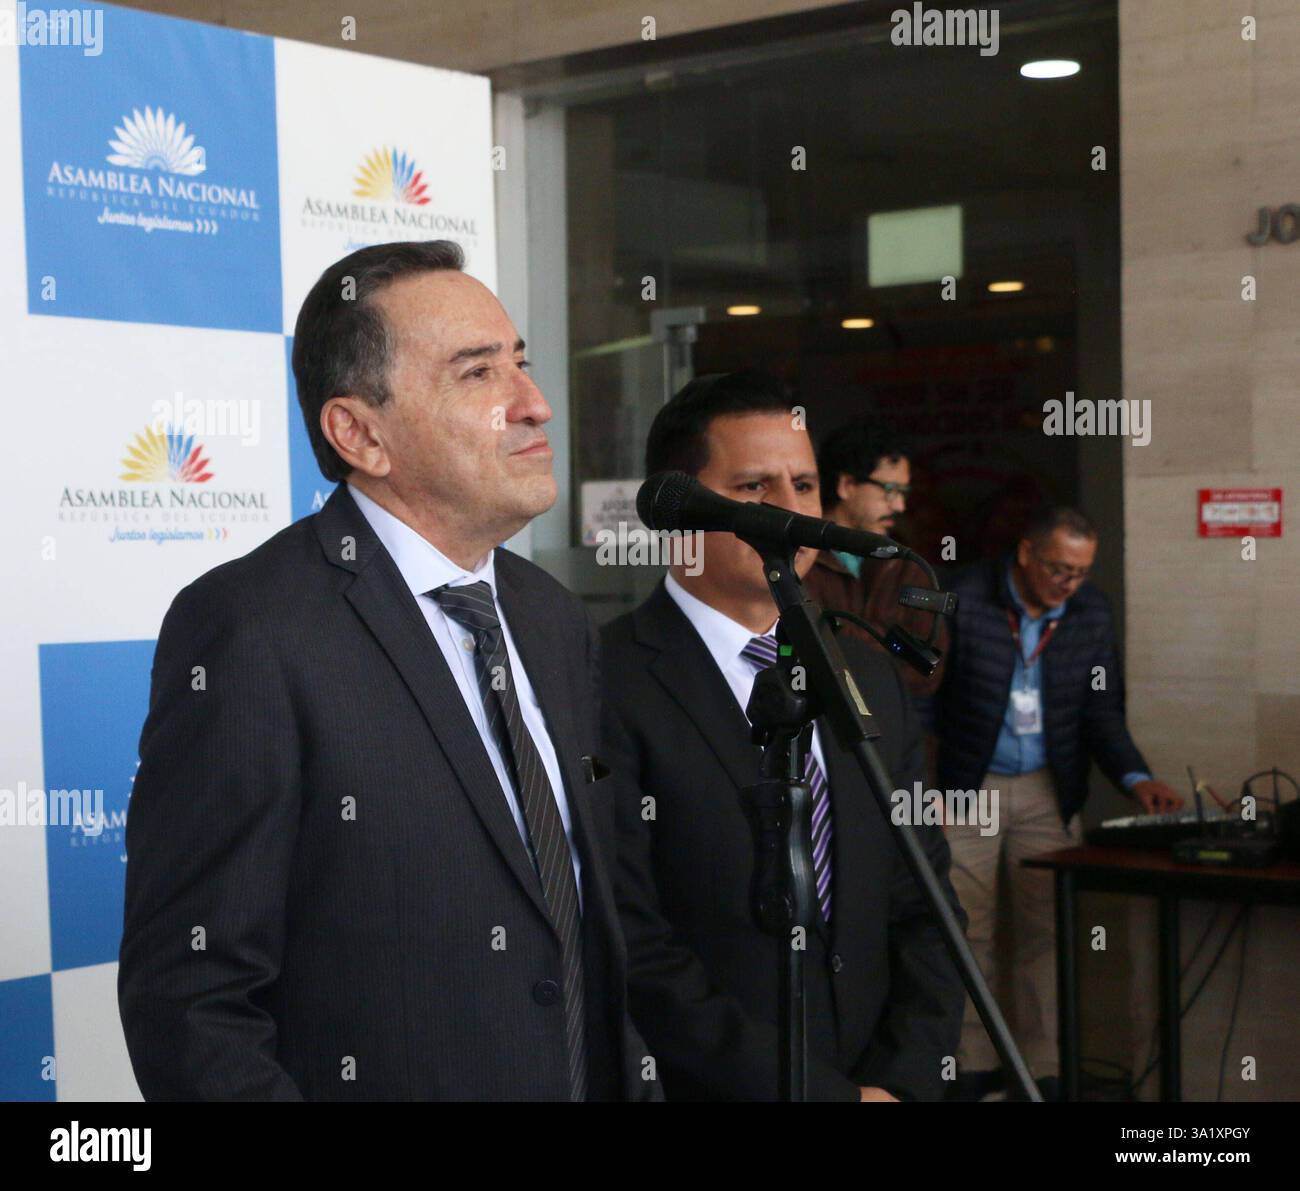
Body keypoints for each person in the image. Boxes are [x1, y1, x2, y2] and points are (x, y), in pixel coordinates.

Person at [118, 240, 658, 1102]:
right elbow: (191, 1000)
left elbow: (584, 930)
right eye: (477, 374)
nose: (535, 404)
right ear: (359, 432)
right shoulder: (251, 629)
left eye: (520, 362)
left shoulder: (552, 618)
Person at [601, 371, 965, 1101]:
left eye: (804, 484)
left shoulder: (867, 672)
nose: (793, 512)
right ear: (679, 507)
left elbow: (925, 901)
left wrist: (902, 1081)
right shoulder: (603, 679)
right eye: (755, 487)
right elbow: (633, 944)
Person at [934, 506, 1184, 1101]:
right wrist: (925, 788)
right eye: (1057, 569)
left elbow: (1102, 709)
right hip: (969, 786)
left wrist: (1135, 776)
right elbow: (923, 699)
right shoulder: (963, 596)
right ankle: (975, 1065)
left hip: (1050, 787)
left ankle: (1043, 1070)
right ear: (1025, 552)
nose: (1068, 583)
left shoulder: (1089, 610)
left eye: (1080, 572)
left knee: (1049, 931)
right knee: (968, 929)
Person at [803, 418, 947, 700]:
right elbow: (803, 665)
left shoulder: (909, 566)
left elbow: (929, 673)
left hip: (895, 735)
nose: (900, 506)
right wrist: (887, 647)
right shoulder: (801, 559)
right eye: (890, 490)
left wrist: (845, 645)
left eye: (903, 493)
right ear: (846, 485)